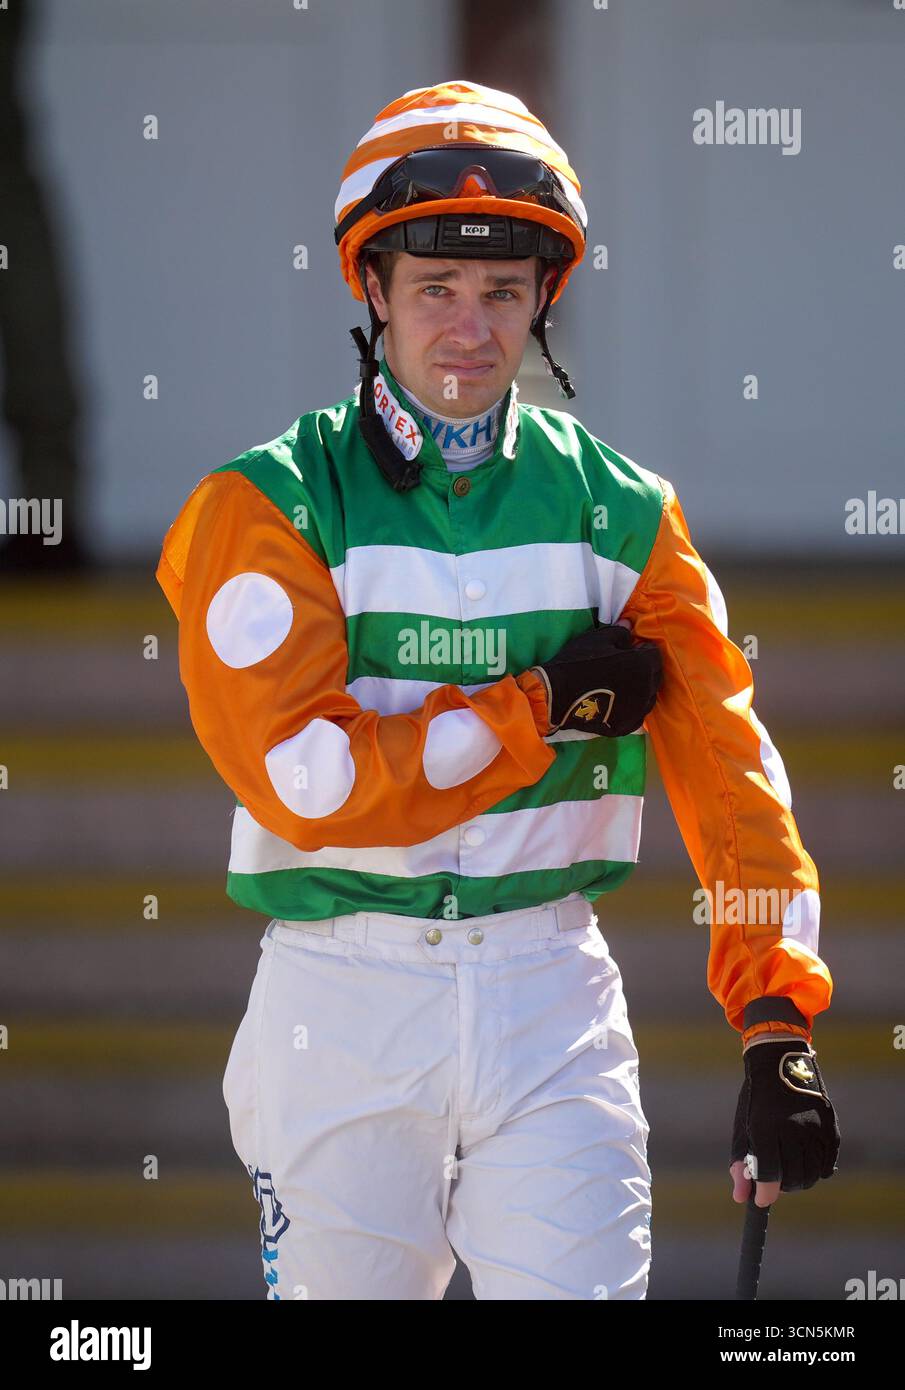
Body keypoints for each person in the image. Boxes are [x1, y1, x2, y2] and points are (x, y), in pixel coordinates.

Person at [155, 79, 839, 1301]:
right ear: (372, 292)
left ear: (541, 304)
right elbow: (310, 781)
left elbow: (730, 772)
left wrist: (774, 1013)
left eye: (503, 294)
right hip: (338, 995)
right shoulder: (259, 508)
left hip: (549, 992)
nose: (469, 330)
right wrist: (536, 711)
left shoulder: (626, 513)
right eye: (435, 290)